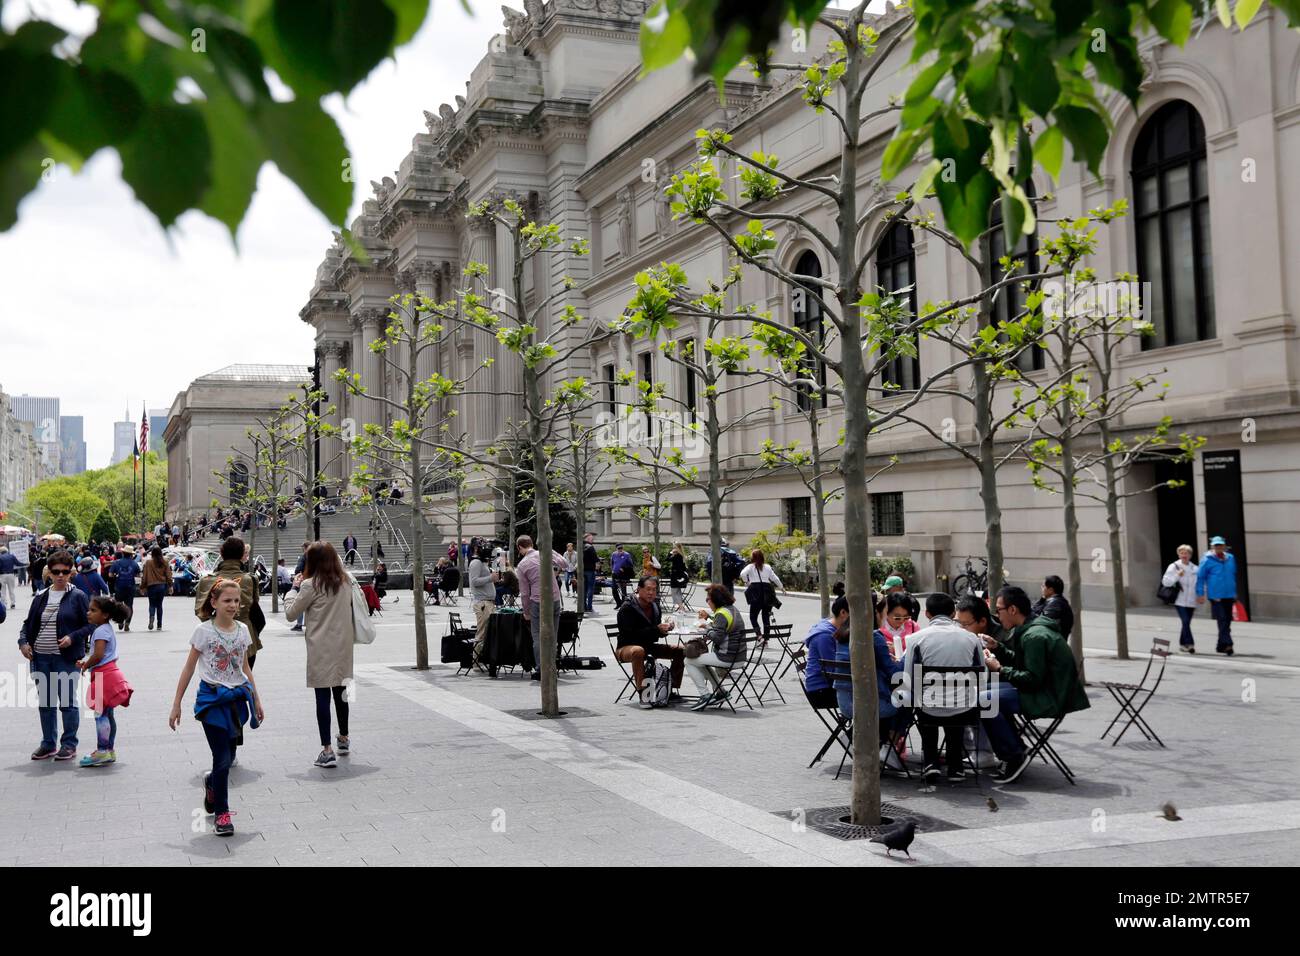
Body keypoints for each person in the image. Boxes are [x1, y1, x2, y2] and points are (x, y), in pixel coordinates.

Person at [170, 578, 263, 837]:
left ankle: (212, 782)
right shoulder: (203, 631)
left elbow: (245, 668)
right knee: (221, 758)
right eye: (227, 600)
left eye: (236, 600)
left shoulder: (243, 630)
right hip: (211, 700)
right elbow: (189, 667)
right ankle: (223, 815)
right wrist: (176, 703)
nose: (233, 605)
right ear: (213, 602)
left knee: (227, 757)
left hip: (236, 701)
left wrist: (256, 698)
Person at [982, 586, 1091, 784]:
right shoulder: (1032, 629)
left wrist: (1000, 669)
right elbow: (1026, 664)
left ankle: (1013, 756)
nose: (997, 615)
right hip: (1047, 690)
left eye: (998, 610)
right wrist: (998, 648)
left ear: (1013, 610)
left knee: (985, 701)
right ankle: (1017, 747)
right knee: (983, 694)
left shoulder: (1034, 636)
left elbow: (1032, 679)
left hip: (1049, 697)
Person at [899, 592, 985, 784]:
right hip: (964, 708)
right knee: (957, 707)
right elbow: (982, 673)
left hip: (929, 709)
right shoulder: (971, 638)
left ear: (928, 614)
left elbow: (908, 678)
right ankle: (956, 766)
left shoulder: (915, 639)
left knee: (923, 702)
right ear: (953, 612)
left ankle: (931, 761)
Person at [284, 541, 355, 768]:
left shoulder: (309, 585)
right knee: (343, 693)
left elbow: (290, 613)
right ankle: (343, 737)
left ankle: (327, 750)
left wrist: (292, 590)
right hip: (344, 647)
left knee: (322, 697)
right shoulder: (346, 582)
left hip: (320, 648)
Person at [19, 550, 93, 761]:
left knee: (68, 703)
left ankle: (69, 744)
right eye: (56, 571)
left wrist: (72, 637)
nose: (60, 575)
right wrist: (23, 643)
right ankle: (48, 743)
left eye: (65, 571)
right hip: (41, 658)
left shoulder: (77, 596)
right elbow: (27, 624)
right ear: (49, 573)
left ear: (71, 573)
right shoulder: (41, 596)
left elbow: (91, 625)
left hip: (66, 659)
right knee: (46, 703)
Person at [832, 600, 905, 750]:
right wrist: (906, 657)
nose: (885, 617)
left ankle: (858, 737)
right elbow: (894, 673)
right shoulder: (873, 637)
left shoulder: (843, 635)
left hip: (845, 703)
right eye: (885, 612)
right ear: (875, 613)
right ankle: (886, 747)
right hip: (868, 704)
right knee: (907, 701)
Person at [76, 595, 133, 767]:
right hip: (110, 673)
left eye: (93, 610)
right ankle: (109, 750)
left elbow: (99, 654)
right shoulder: (106, 628)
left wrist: (86, 665)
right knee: (108, 715)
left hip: (103, 675)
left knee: (100, 715)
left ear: (105, 614)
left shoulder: (100, 631)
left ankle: (102, 751)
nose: (89, 613)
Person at [194, 536, 263, 671]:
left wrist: (217, 621)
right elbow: (253, 608)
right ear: (242, 555)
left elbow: (200, 611)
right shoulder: (250, 580)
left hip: (215, 639)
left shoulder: (206, 581)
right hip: (245, 639)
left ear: (221, 553)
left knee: (218, 682)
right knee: (244, 682)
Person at [615, 575, 685, 703]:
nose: (651, 593)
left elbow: (655, 634)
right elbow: (629, 634)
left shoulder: (655, 607)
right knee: (638, 651)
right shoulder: (627, 607)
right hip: (626, 647)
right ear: (639, 589)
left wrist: (665, 629)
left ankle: (669, 690)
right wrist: (656, 630)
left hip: (648, 646)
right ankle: (643, 693)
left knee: (680, 650)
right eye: (648, 589)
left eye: (654, 589)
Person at [685, 584, 748, 710]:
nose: (707, 602)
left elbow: (717, 637)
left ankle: (705, 695)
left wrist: (707, 631)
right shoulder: (732, 609)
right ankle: (721, 692)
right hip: (739, 656)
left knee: (688, 661)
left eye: (708, 599)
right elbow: (720, 628)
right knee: (702, 661)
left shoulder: (721, 614)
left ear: (716, 600)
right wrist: (709, 622)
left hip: (727, 657)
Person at [516, 535, 568, 680]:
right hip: (555, 598)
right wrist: (551, 551)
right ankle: (552, 666)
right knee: (553, 635)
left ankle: (541, 669)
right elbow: (564, 564)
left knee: (538, 636)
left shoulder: (522, 565)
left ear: (520, 547)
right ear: (532, 544)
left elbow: (525, 593)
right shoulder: (544, 554)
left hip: (538, 601)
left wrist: (526, 612)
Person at [800, 595, 850, 708]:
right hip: (821, 691)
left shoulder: (829, 627)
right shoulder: (825, 636)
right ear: (843, 613)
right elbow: (833, 671)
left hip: (825, 685)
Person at [1196, 536, 1238, 655]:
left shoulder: (1230, 558)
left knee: (1227, 620)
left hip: (1229, 593)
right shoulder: (1207, 559)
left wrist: (1234, 592)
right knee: (1222, 619)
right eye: (1216, 545)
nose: (1218, 547)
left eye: (1220, 545)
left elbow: (1232, 575)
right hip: (1216, 594)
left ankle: (1220, 646)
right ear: (1212, 546)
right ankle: (1228, 644)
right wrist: (1200, 593)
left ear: (1224, 546)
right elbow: (1200, 577)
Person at [1162, 544, 1199, 652]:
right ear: (1178, 554)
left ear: (1190, 555)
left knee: (1186, 623)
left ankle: (1183, 644)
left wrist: (1201, 595)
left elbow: (1200, 583)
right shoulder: (1174, 566)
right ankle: (1190, 644)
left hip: (1192, 600)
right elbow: (1166, 582)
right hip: (1179, 600)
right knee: (1186, 621)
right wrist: (1177, 575)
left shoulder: (1195, 568)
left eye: (1186, 553)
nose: (1184, 555)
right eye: (1181, 553)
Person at [739, 549, 783, 639]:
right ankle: (766, 639)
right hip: (768, 591)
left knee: (753, 616)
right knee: (766, 616)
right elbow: (775, 578)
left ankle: (759, 636)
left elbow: (743, 574)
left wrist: (747, 582)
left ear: (753, 558)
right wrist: (781, 587)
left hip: (756, 592)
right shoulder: (767, 567)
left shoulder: (750, 567)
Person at [468, 544, 497, 663]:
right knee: (482, 632)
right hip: (483, 603)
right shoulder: (476, 563)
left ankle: (481, 659)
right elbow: (474, 582)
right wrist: (490, 578)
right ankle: (476, 661)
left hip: (487, 602)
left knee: (486, 632)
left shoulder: (482, 563)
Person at [1031, 574, 1074, 641]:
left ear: (1050, 590)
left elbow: (1039, 621)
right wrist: (1042, 599)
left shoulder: (1056, 604)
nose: (1041, 588)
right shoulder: (1054, 602)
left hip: (1052, 645)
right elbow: (1033, 611)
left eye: (1043, 586)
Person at [107, 547, 141, 632]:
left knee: (118, 605)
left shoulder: (116, 563)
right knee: (129, 606)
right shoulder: (134, 563)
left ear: (123, 553)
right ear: (131, 555)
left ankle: (120, 621)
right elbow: (139, 575)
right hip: (130, 587)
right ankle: (127, 623)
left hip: (119, 587)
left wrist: (116, 576)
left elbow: (110, 575)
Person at [141, 545, 174, 631]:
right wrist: (170, 586)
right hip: (161, 586)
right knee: (159, 605)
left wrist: (142, 587)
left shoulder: (148, 562)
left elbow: (144, 576)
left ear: (152, 553)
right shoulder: (165, 562)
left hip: (151, 586)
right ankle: (159, 625)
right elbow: (168, 575)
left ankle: (151, 617)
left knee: (152, 604)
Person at [879, 592, 920, 660]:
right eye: (897, 617)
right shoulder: (879, 629)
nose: (902, 620)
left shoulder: (914, 627)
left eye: (906, 617)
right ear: (886, 612)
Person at [291, 542, 310, 631]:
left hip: (305, 582)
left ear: (305, 548)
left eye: (303, 548)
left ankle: (299, 624)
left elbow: (298, 569)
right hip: (316, 582)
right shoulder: (317, 557)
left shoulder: (304, 557)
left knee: (300, 602)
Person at [667, 542, 690, 612]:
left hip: (675, 576)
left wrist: (670, 553)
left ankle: (681, 607)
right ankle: (681, 608)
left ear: (677, 548)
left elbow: (667, 559)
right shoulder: (681, 555)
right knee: (678, 592)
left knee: (674, 592)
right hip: (679, 576)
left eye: (674, 547)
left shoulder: (677, 556)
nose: (673, 549)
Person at [582, 533, 598, 613]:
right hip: (590, 570)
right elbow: (595, 558)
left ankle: (584, 606)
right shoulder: (590, 547)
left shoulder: (580, 546)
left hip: (582, 570)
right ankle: (589, 607)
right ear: (587, 539)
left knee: (584, 589)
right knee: (590, 589)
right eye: (591, 539)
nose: (593, 540)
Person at [0, 545, 18, 609]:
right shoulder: (12, 556)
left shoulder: (0, 557)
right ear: (7, 551)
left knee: (2, 591)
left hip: (2, 575)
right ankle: (13, 603)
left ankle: (4, 604)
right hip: (11, 575)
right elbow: (17, 563)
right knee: (11, 590)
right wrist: (26, 564)